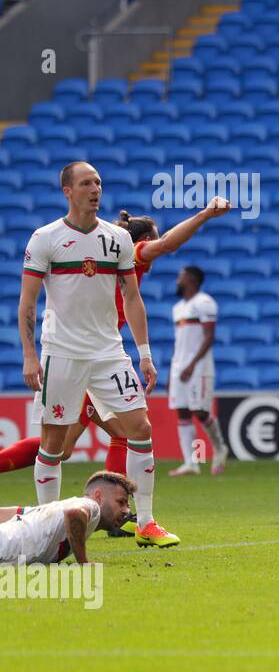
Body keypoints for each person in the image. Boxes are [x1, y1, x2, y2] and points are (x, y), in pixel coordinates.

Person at [0, 197, 229, 538]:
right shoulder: (130, 254)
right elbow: (168, 244)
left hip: (103, 354)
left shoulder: (119, 258)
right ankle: (105, 515)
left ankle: (120, 516)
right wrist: (206, 215)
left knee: (89, 441)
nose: (154, 246)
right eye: (151, 238)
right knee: (70, 444)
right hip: (80, 356)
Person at [18, 162, 187, 548]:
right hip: (61, 352)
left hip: (109, 352)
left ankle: (144, 522)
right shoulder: (45, 238)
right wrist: (30, 355)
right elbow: (28, 303)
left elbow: (132, 297)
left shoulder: (118, 239)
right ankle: (49, 532)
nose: (95, 189)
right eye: (85, 183)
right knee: (54, 444)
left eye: (98, 182)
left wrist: (144, 353)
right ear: (68, 191)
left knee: (141, 429)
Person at [0, 471, 135, 565]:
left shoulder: (56, 508)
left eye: (127, 505)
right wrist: (83, 562)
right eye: (121, 502)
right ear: (98, 496)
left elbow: (12, 514)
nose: (126, 511)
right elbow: (74, 513)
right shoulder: (91, 505)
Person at [167, 265, 226, 476]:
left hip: (199, 368)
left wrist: (191, 364)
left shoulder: (204, 303)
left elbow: (209, 336)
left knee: (200, 412)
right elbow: (180, 342)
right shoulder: (178, 308)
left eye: (180, 277)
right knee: (182, 412)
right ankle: (190, 463)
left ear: (191, 280)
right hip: (179, 367)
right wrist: (174, 369)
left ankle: (219, 449)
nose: (177, 281)